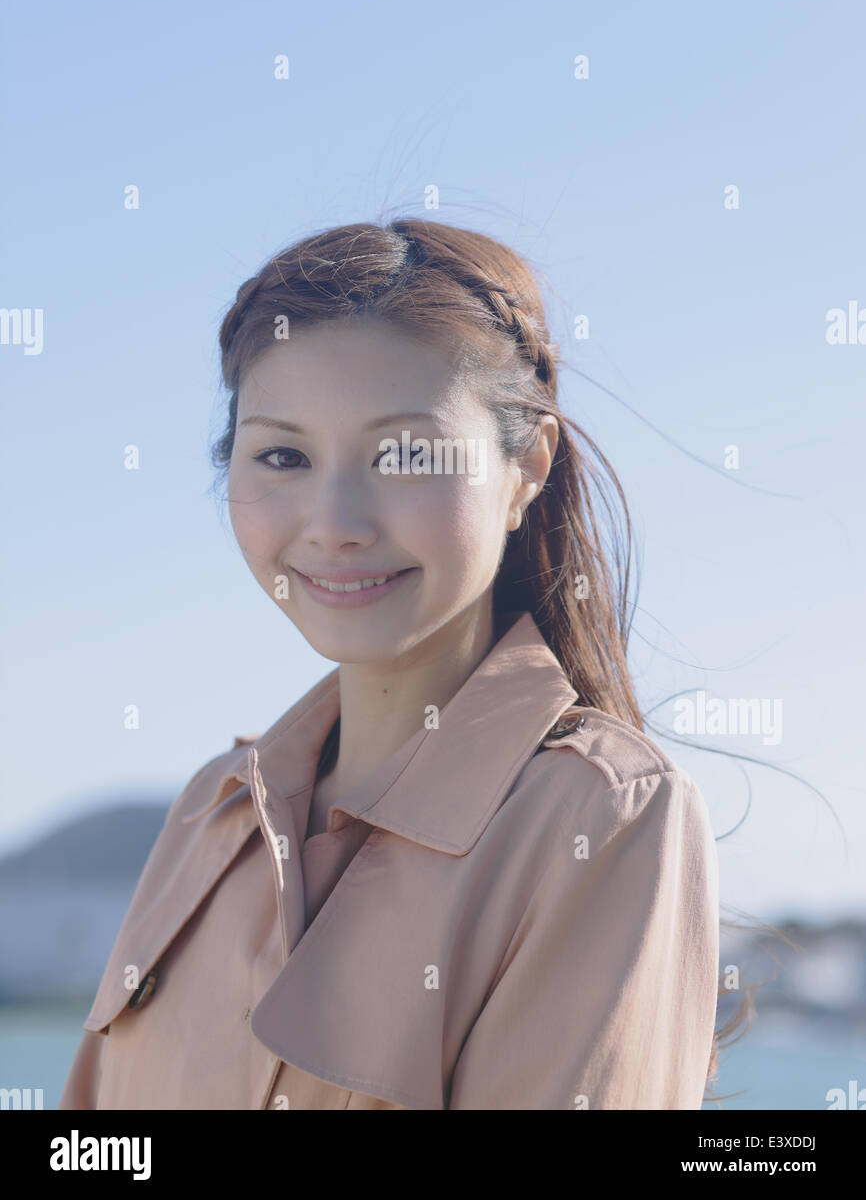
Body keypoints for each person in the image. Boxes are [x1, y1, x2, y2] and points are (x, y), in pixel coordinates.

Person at [59, 218, 720, 1110]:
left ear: (527, 467)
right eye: (283, 456)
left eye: (406, 454)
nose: (334, 523)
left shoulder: (604, 816)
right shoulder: (212, 811)